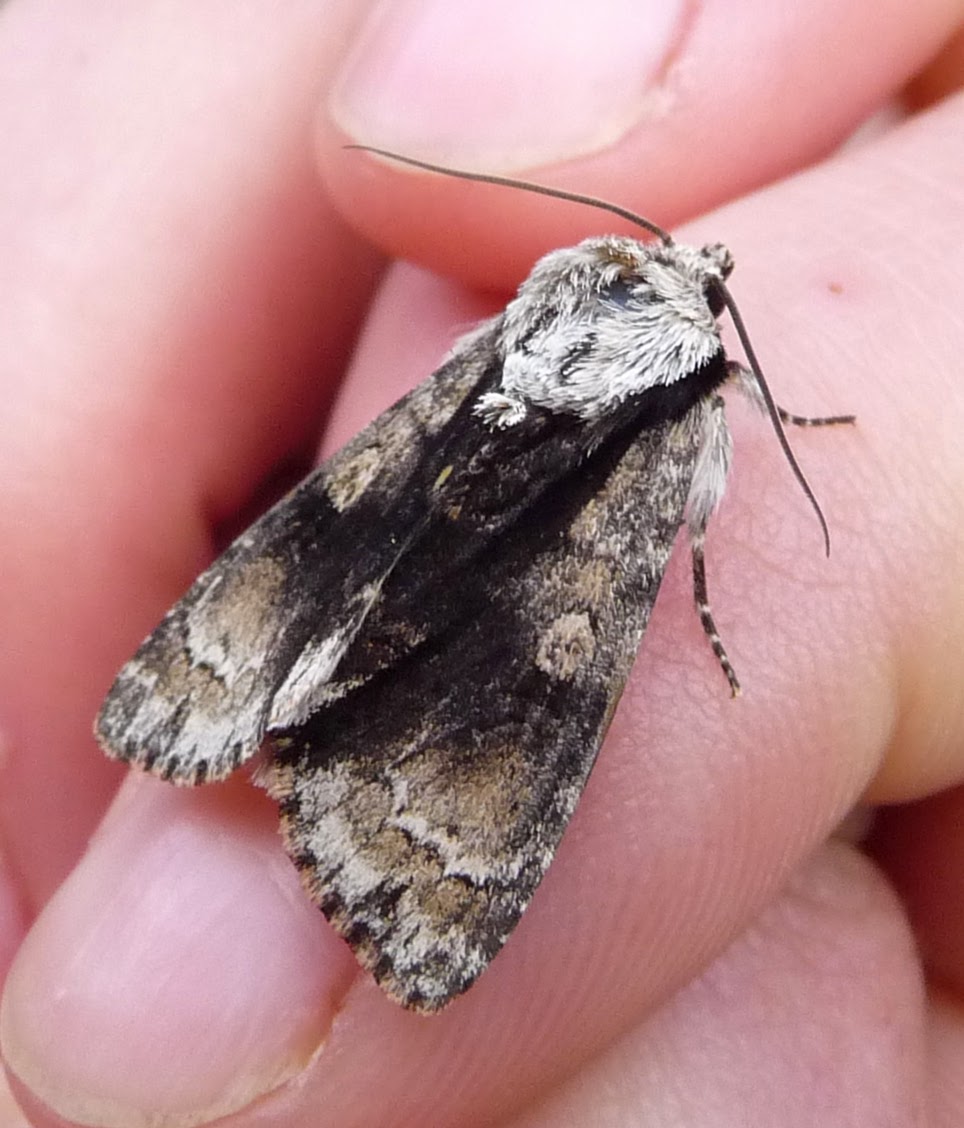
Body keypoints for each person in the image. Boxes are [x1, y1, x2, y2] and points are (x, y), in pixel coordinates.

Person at [1, 3, 962, 1125]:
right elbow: (702, 507)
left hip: (403, 491)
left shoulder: (611, 366)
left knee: (378, 502)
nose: (702, 271)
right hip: (491, 679)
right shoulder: (690, 401)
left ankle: (240, 692)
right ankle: (372, 818)